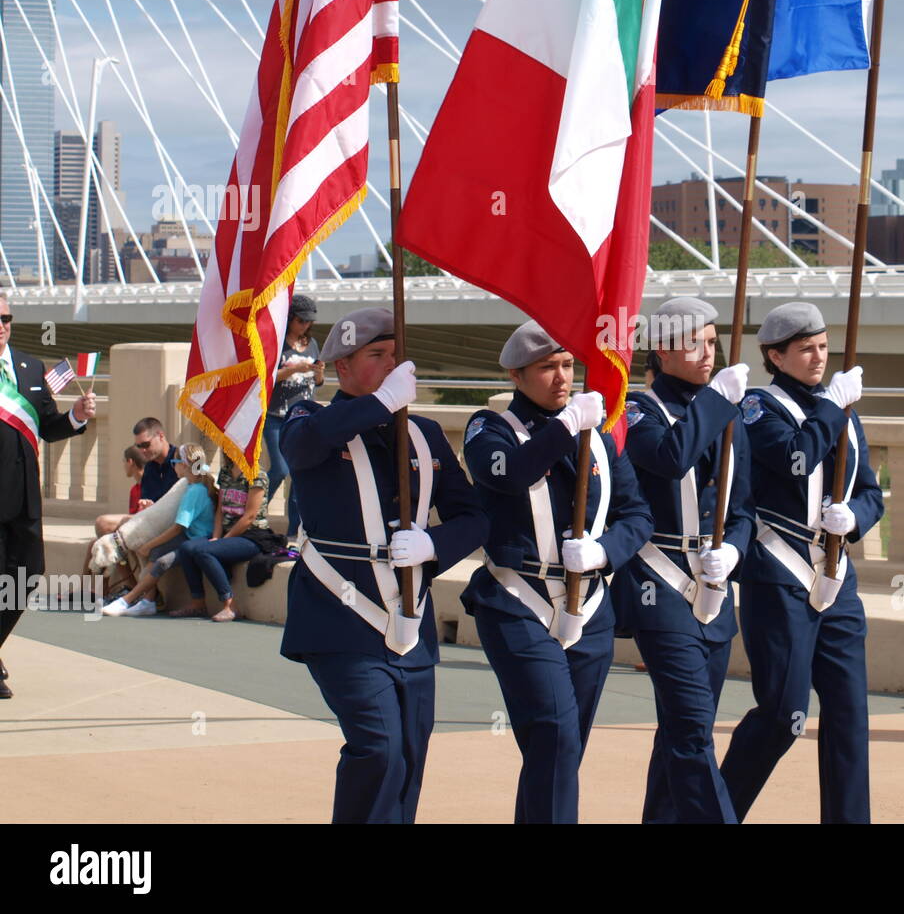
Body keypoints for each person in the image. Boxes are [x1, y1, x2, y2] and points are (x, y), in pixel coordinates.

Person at [279, 307, 488, 824]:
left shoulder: (425, 434)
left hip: (409, 618)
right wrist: (379, 403)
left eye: (397, 355)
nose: (394, 366)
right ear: (341, 367)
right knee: (379, 747)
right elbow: (303, 446)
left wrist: (433, 545)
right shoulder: (311, 422)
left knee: (410, 755)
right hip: (340, 617)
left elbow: (476, 516)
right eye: (377, 356)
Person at [462, 321, 652, 823]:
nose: (561, 377)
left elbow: (637, 515)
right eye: (547, 367)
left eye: (568, 365)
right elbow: (514, 472)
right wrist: (568, 427)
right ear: (516, 375)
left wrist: (605, 551)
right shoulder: (491, 429)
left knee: (562, 751)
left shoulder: (601, 435)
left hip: (590, 605)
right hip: (517, 601)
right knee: (555, 734)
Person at [718, 302, 883, 824]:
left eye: (823, 345)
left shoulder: (844, 411)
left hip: (837, 576)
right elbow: (795, 458)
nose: (819, 357)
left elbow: (873, 493)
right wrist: (832, 407)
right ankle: (714, 812)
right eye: (805, 349)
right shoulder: (756, 408)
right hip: (779, 574)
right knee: (783, 715)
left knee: (850, 717)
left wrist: (852, 516)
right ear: (775, 355)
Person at [614, 296, 754, 824]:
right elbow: (672, 458)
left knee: (679, 733)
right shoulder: (636, 410)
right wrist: (717, 402)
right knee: (694, 731)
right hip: (660, 586)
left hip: (715, 592)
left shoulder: (727, 412)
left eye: (713, 342)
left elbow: (741, 507)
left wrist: (735, 548)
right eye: (695, 341)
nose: (708, 353)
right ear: (662, 351)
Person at [0, 292, 96, 698]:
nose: (1, 325)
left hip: (23, 498)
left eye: (6, 318)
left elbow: (48, 426)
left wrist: (76, 416)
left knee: (26, 574)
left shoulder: (30, 366)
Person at [167, 451, 284, 622]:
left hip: (252, 537)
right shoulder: (226, 471)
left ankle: (230, 605)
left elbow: (249, 517)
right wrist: (216, 537)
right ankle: (198, 603)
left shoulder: (257, 474)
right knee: (186, 548)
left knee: (204, 551)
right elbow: (220, 510)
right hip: (227, 533)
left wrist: (224, 540)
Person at [103, 443, 218, 617]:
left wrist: (149, 545)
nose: (173, 466)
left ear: (184, 465)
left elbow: (178, 527)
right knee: (154, 550)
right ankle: (148, 601)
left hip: (196, 540)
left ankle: (127, 600)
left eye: (175, 462)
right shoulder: (189, 486)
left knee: (161, 561)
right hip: (188, 536)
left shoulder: (195, 491)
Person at [264, 293, 323, 540]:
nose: (305, 326)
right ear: (290, 319)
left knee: (300, 473)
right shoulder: (276, 344)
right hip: (276, 415)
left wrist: (318, 373)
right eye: (301, 321)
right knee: (279, 468)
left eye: (308, 322)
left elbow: (318, 384)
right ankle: (254, 513)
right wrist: (292, 370)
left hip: (302, 418)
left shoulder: (312, 344)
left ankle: (294, 531)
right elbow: (266, 378)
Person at [82, 445, 149, 599]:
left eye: (124, 462)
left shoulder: (149, 483)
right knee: (96, 543)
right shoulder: (134, 489)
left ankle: (129, 586)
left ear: (130, 462)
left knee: (108, 540)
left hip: (144, 532)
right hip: (130, 533)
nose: (124, 466)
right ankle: (88, 588)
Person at [133, 417, 179, 509]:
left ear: (161, 436)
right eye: (138, 446)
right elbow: (146, 502)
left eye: (146, 444)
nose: (143, 450)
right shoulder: (149, 467)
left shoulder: (181, 460)